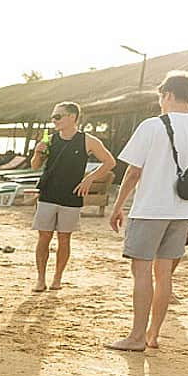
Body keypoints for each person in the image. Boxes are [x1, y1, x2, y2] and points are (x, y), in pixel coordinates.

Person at [107, 71, 188, 351]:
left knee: (141, 272)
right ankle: (153, 335)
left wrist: (118, 206)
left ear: (167, 95)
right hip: (181, 211)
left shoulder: (152, 126)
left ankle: (135, 337)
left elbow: (133, 173)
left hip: (149, 210)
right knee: (164, 274)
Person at [29, 101, 117, 291]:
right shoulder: (50, 140)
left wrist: (89, 179)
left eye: (58, 116)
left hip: (71, 197)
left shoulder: (88, 140)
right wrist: (37, 152)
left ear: (72, 117)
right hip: (47, 195)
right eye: (53, 116)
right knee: (43, 238)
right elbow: (35, 166)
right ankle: (40, 279)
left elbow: (109, 162)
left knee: (64, 239)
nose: (54, 120)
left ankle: (57, 278)